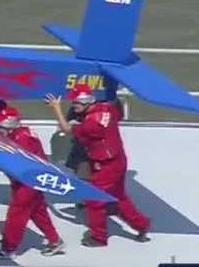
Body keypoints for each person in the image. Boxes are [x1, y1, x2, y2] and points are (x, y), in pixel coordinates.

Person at [46, 84, 150, 246]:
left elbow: (66, 129)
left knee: (94, 200)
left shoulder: (90, 124)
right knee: (118, 197)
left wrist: (56, 108)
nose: (74, 106)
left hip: (106, 165)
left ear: (88, 103)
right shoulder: (107, 108)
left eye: (76, 104)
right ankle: (141, 225)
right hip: (118, 159)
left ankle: (99, 237)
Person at [0, 107, 64, 259]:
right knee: (38, 211)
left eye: (0, 126)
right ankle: (55, 240)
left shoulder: (23, 139)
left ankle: (8, 249)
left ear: (10, 126)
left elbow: (19, 163)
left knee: (16, 214)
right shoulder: (18, 135)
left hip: (28, 182)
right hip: (29, 181)